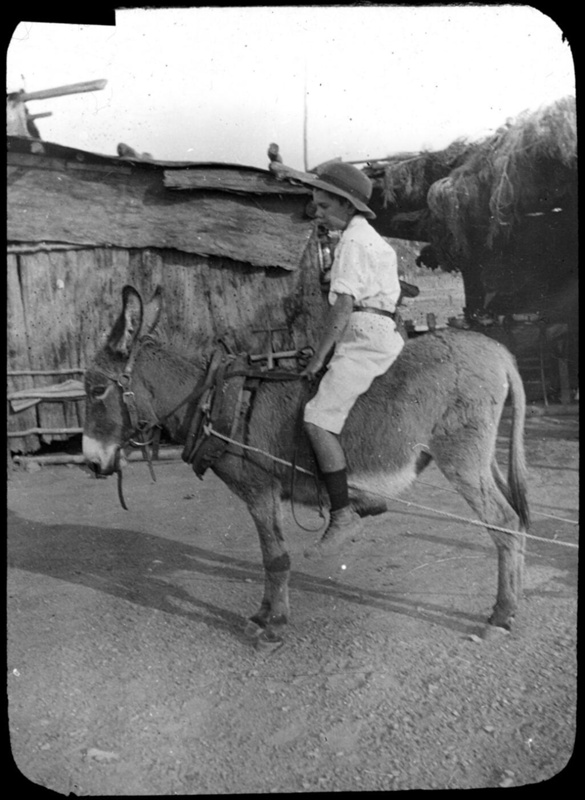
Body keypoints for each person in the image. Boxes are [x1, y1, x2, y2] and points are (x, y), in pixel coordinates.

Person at [300, 162, 405, 559]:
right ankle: (357, 488)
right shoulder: (365, 238)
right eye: (316, 206)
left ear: (346, 204)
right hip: (375, 331)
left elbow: (343, 307)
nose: (319, 215)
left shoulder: (353, 243)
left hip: (364, 337)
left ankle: (343, 511)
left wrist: (318, 358)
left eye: (325, 207)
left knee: (317, 418)